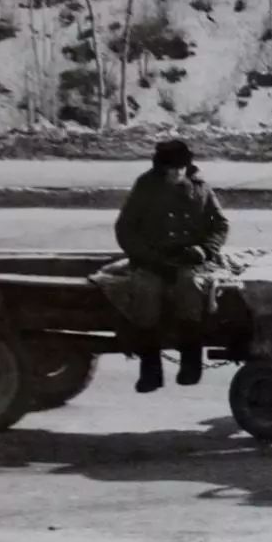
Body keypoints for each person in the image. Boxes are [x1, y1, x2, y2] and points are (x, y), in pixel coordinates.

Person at [114, 139, 229, 393]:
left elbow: (220, 225)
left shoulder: (201, 187)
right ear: (161, 168)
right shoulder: (146, 187)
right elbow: (125, 229)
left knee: (190, 289)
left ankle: (191, 364)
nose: (177, 172)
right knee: (146, 293)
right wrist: (149, 258)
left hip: (190, 260)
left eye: (181, 167)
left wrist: (205, 250)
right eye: (171, 168)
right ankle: (150, 371)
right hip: (153, 260)